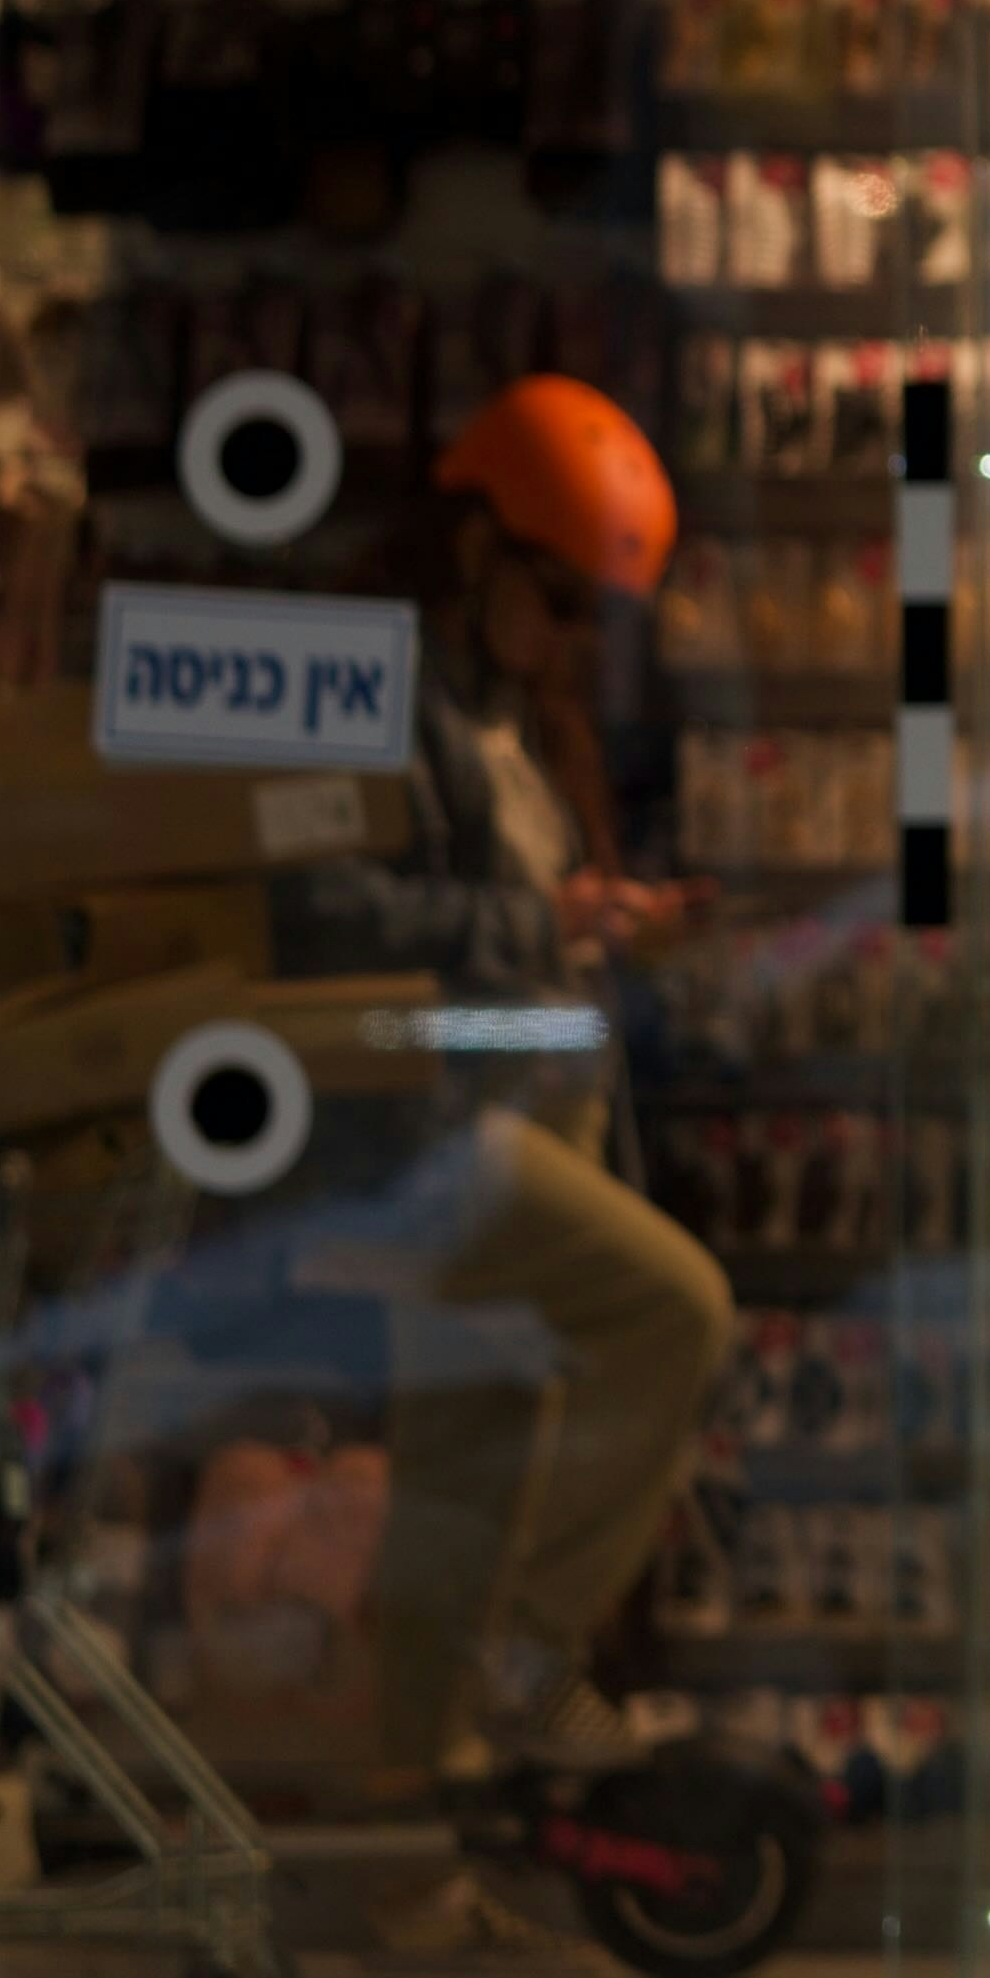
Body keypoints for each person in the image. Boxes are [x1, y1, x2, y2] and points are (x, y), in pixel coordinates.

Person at [279, 378, 736, 1761]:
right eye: (556, 597)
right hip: (413, 1141)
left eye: (594, 617)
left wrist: (607, 931)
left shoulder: (509, 714)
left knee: (460, 1478)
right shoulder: (377, 689)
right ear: (474, 549)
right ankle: (521, 1652)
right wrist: (546, 922)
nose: (570, 641)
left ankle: (410, 1859)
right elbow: (319, 914)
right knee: (678, 1312)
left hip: (507, 1120)